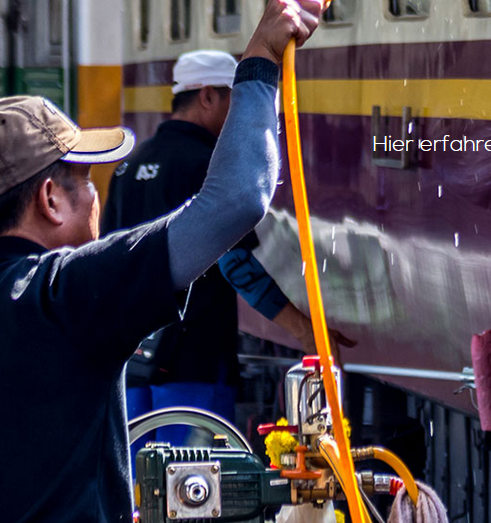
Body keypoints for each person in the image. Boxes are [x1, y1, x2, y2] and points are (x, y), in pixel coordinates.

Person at [0, 0, 344, 523]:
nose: (95, 197)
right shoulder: (66, 294)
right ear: (51, 199)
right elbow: (238, 200)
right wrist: (262, 56)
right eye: (85, 182)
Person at [102, 49, 352, 441]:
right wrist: (304, 330)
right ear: (207, 96)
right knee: (192, 483)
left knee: (139, 488)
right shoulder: (207, 166)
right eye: (234, 100)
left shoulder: (128, 167)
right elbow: (235, 265)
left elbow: (109, 259)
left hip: (134, 364)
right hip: (193, 362)